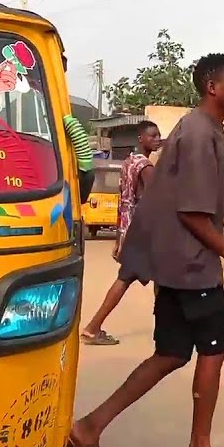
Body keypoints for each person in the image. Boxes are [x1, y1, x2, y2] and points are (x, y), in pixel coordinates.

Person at [67, 53, 224, 447]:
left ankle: (87, 429)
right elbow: (192, 212)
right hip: (190, 264)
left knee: (171, 353)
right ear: (213, 86)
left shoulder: (201, 130)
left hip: (175, 263)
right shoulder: (197, 133)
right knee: (214, 349)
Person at [80, 120, 161, 346]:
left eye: (158, 136)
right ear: (140, 139)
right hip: (142, 230)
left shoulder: (128, 163)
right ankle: (92, 328)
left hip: (129, 229)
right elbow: (157, 199)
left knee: (150, 276)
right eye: (152, 136)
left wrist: (119, 237)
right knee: (134, 277)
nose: (156, 140)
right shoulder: (146, 167)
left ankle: (164, 327)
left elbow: (123, 202)